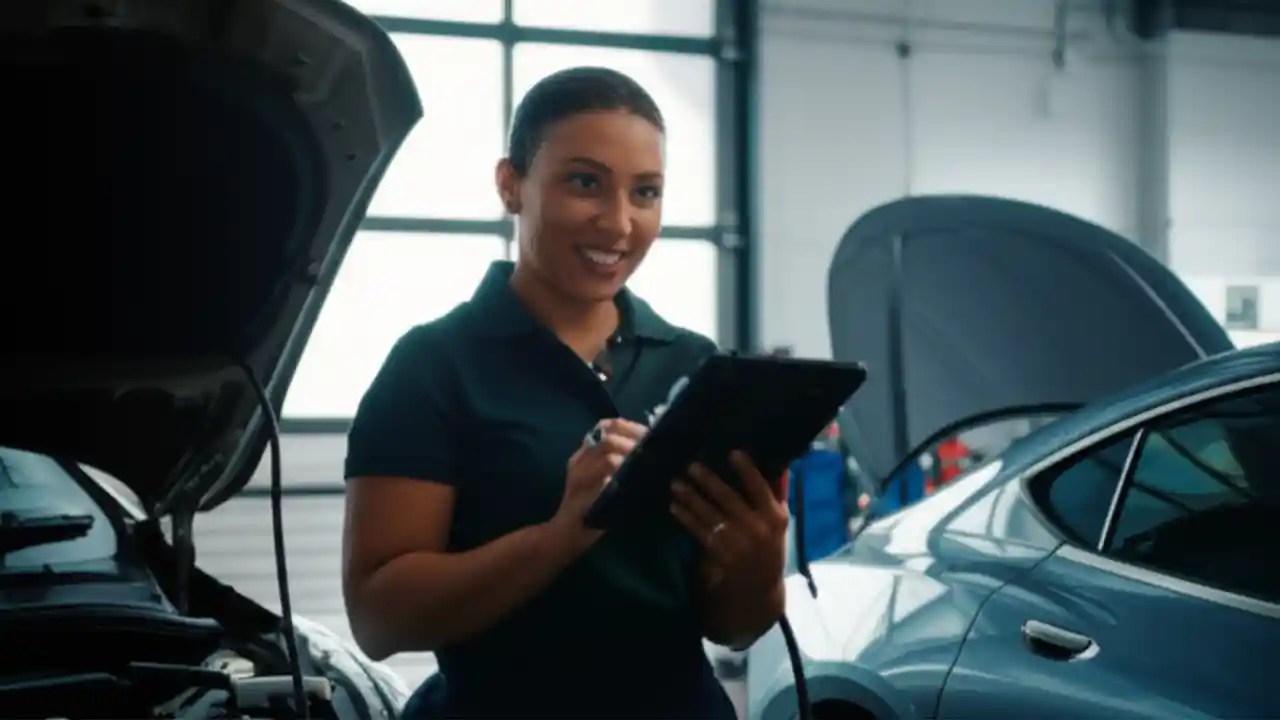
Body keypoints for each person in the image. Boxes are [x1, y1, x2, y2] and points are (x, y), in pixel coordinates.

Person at [341, 66, 790, 719]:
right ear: (511, 184)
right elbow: (379, 620)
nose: (618, 223)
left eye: (646, 193)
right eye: (586, 183)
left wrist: (759, 560)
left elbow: (734, 628)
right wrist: (558, 537)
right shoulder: (433, 367)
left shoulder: (699, 369)